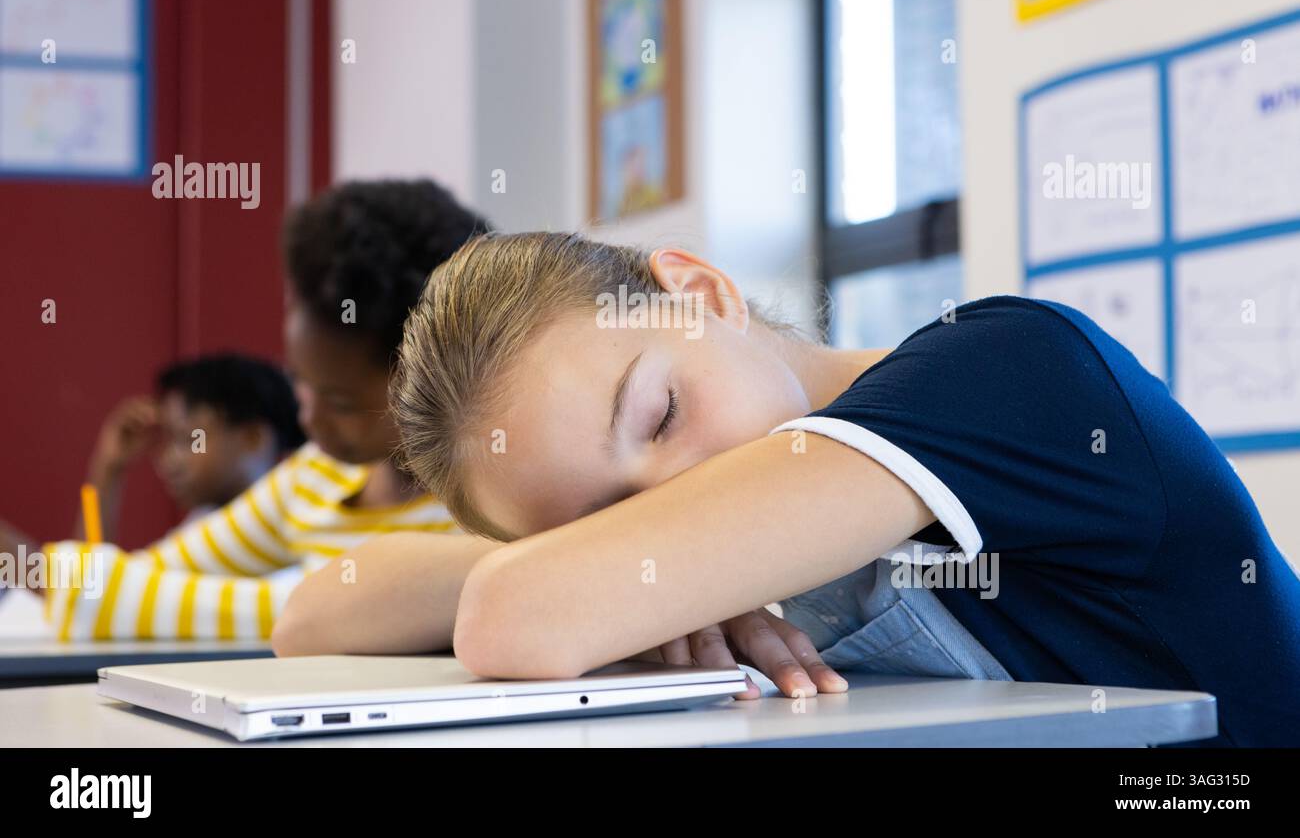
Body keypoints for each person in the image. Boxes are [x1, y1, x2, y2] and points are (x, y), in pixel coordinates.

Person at [376, 231, 1300, 746]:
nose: (678, 492)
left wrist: (626, 584)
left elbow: (510, 616)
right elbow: (323, 614)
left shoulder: (1005, 368)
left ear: (700, 291)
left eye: (657, 414)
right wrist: (651, 589)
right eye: (607, 521)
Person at [39, 180, 497, 645]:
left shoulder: (488, 508)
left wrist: (309, 610)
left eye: (340, 402)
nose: (308, 420)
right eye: (300, 382)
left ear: (438, 379)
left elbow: (349, 613)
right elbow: (95, 586)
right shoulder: (313, 478)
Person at [81, 354, 306, 541]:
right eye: (166, 440)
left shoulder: (294, 533)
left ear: (252, 438)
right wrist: (107, 471)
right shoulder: (199, 527)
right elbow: (89, 584)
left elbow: (89, 585)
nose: (168, 460)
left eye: (188, 438)